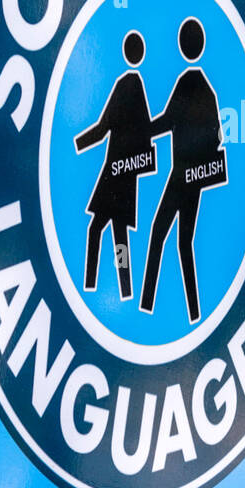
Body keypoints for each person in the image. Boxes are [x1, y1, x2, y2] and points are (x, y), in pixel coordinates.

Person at [140, 17, 227, 323]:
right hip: (195, 179)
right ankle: (193, 310)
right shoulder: (208, 89)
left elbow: (167, 120)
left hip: (181, 175)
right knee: (184, 242)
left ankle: (147, 305)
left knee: (157, 233)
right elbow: (217, 132)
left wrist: (141, 132)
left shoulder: (188, 85)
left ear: (183, 44)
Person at [73, 30, 155, 299]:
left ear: (126, 52)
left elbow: (103, 127)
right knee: (119, 236)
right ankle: (126, 289)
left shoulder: (124, 85)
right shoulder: (139, 87)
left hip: (115, 173)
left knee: (96, 229)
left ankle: (91, 282)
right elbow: (147, 131)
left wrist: (78, 143)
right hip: (126, 176)